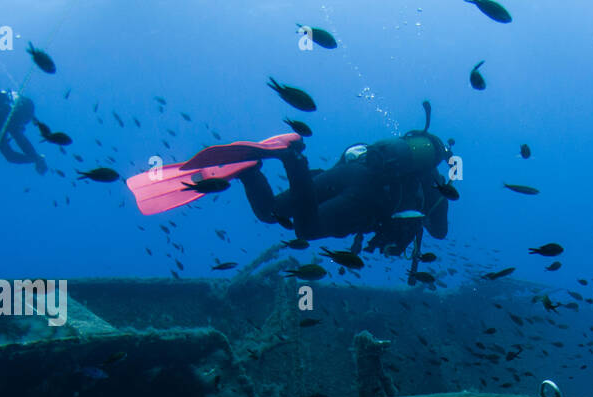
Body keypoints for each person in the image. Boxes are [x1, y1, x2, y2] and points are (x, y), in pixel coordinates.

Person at [127, 102, 452, 281]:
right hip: (368, 197)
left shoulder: (390, 160)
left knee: (272, 214)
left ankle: (251, 171)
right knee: (306, 229)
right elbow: (439, 233)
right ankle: (292, 159)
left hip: (350, 170)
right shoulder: (435, 186)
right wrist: (434, 207)